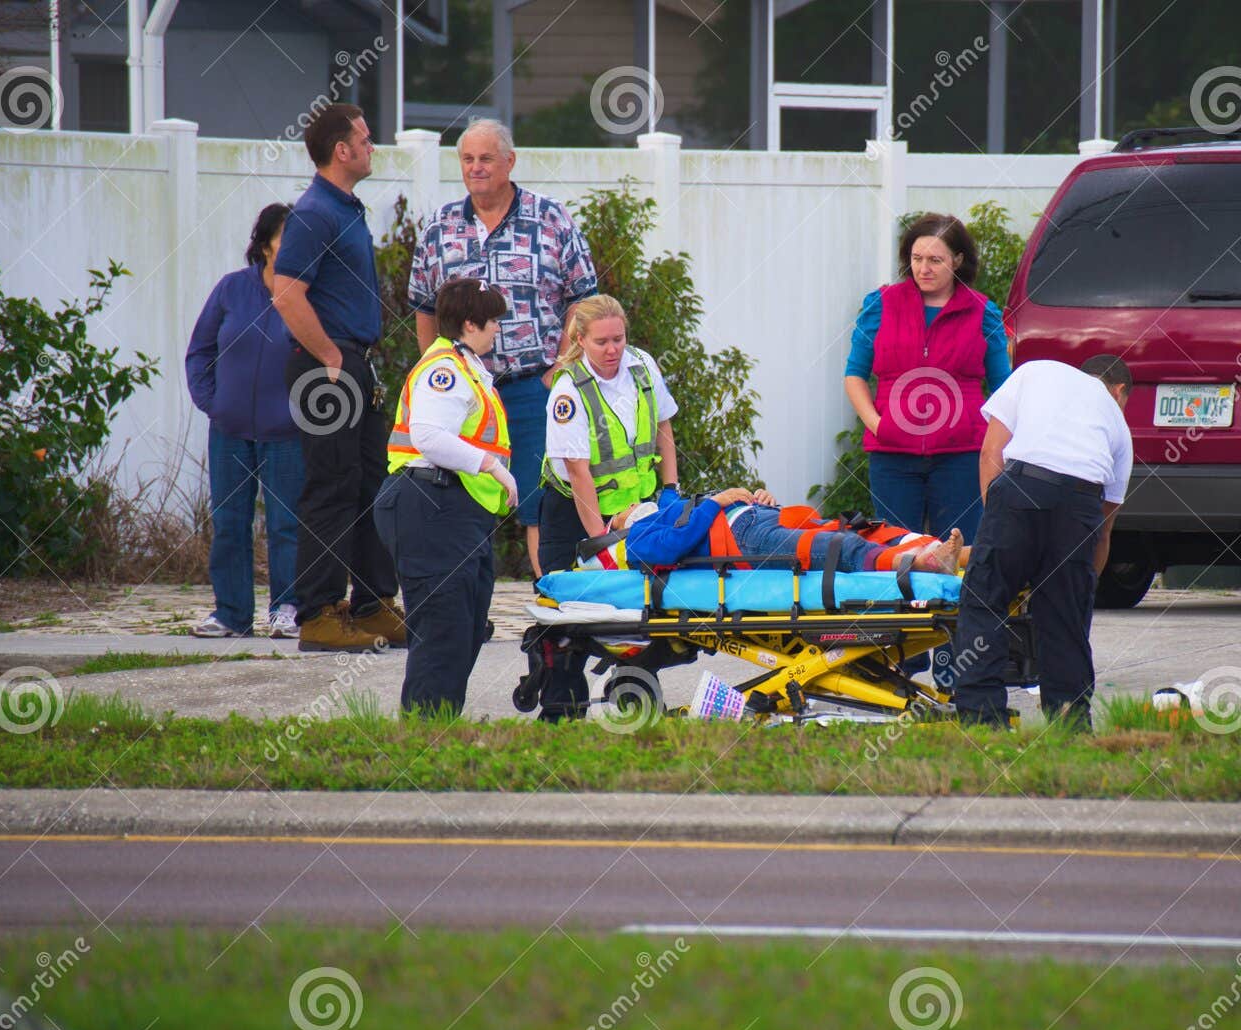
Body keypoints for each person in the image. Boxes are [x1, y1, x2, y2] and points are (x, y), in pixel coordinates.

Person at [407, 117, 599, 577]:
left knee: (539, 503)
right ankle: (468, 605)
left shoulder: (550, 218)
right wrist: (435, 367)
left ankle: (549, 602)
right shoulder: (440, 227)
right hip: (463, 393)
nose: (476, 168)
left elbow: (584, 296)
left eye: (486, 158)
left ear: (509, 162)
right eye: (467, 159)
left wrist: (560, 367)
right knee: (463, 497)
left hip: (533, 387)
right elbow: (423, 307)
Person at [271, 101, 402, 654]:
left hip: (355, 363)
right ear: (341, 150)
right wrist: (329, 356)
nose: (373, 146)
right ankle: (319, 614)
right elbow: (285, 289)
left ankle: (371, 604)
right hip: (326, 366)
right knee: (331, 487)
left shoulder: (346, 208)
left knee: (374, 482)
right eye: (366, 139)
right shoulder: (314, 212)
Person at [951, 355, 1134, 731]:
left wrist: (995, 536)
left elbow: (990, 454)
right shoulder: (1119, 424)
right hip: (1080, 502)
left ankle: (982, 720)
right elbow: (1103, 532)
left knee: (985, 600)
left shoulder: (1034, 371)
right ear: (1119, 392)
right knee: (1064, 618)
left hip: (1021, 486)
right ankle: (1070, 724)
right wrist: (1082, 586)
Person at [374, 279, 519, 715]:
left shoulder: (467, 366)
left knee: (469, 623)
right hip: (429, 503)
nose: (497, 329)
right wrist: (492, 467)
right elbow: (429, 436)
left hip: (453, 508)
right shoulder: (446, 370)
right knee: (443, 625)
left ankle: (439, 723)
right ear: (470, 323)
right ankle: (425, 731)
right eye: (492, 321)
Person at [536, 294, 678, 720]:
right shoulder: (569, 390)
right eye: (602, 342)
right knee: (570, 617)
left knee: (637, 614)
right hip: (573, 515)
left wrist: (670, 489)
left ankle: (633, 700)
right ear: (580, 340)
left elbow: (664, 426)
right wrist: (601, 546)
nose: (613, 349)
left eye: (619, 339)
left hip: (635, 512)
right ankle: (561, 712)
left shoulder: (641, 366)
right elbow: (579, 476)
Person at [844, 212, 1011, 544]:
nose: (924, 268)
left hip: (962, 457)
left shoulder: (982, 312)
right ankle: (903, 600)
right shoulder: (880, 305)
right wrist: (879, 425)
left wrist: (993, 446)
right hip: (891, 456)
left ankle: (958, 600)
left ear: (958, 260)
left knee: (959, 548)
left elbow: (1005, 390)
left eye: (936, 260)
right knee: (897, 549)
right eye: (917, 258)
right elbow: (854, 375)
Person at [184, 203, 303, 640]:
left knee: (286, 523)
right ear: (265, 243)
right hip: (229, 430)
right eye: (286, 237)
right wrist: (212, 402)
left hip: (288, 434)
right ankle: (231, 614)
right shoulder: (231, 289)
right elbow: (200, 351)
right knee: (230, 522)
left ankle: (287, 609)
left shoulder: (307, 295)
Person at [582, 487, 962, 574]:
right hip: (747, 540)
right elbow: (673, 546)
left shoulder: (669, 506)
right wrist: (718, 501)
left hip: (761, 518)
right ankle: (922, 565)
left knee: (868, 530)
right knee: (837, 546)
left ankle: (961, 554)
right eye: (620, 508)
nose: (630, 504)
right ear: (616, 526)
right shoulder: (638, 538)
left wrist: (755, 497)